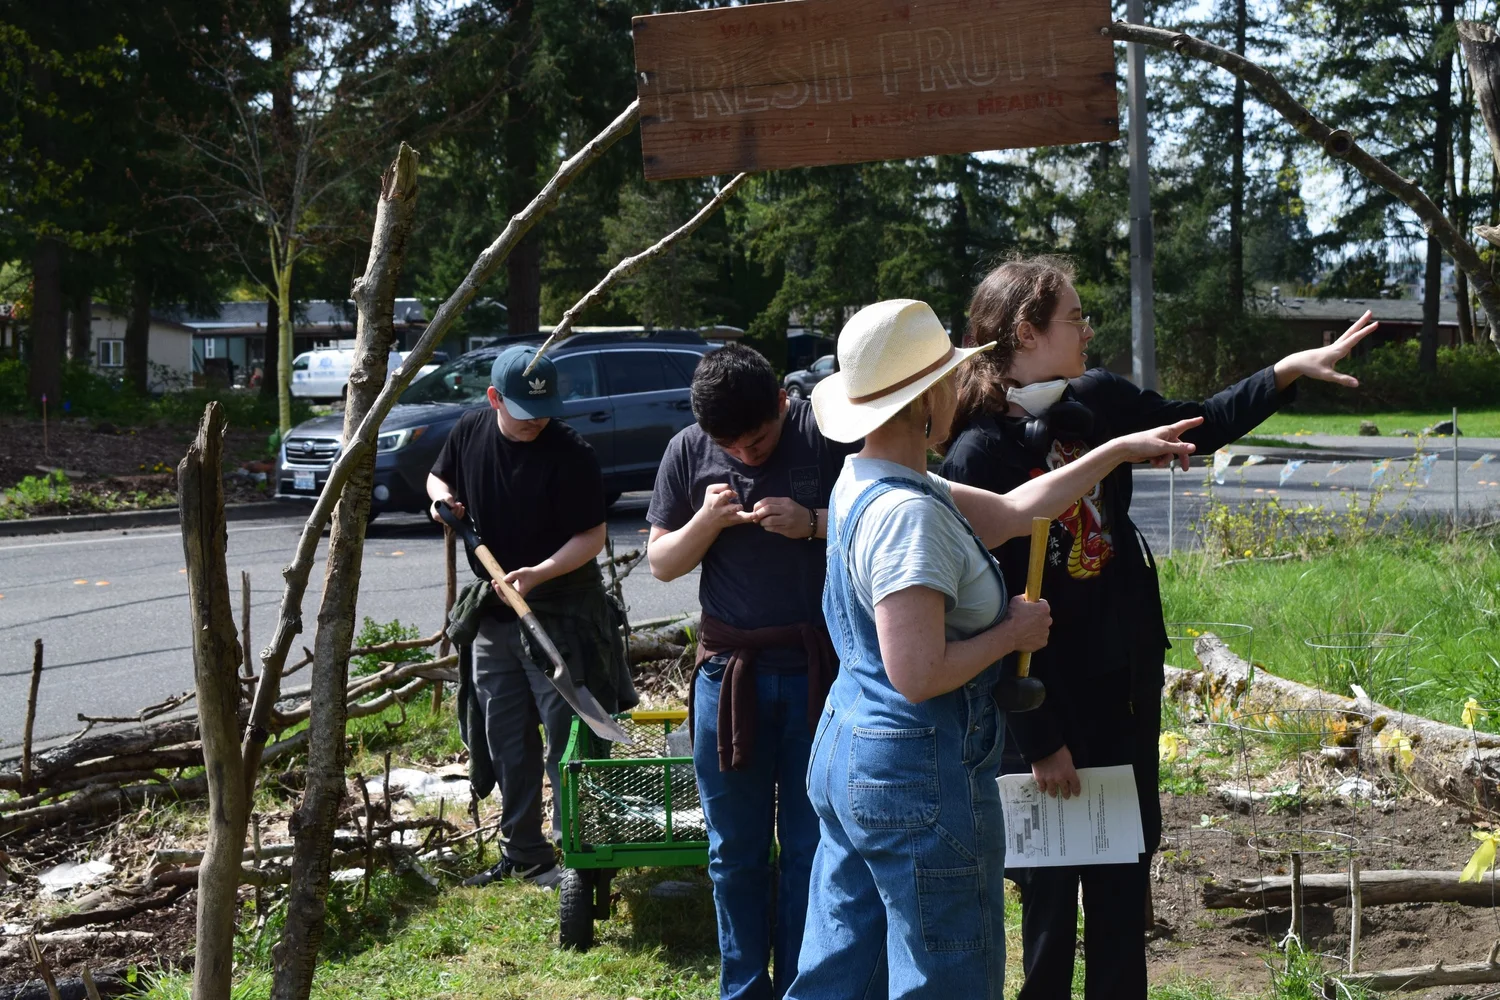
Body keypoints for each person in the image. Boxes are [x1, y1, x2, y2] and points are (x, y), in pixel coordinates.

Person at [938, 256, 1379, 1000]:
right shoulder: (981, 451)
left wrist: (1286, 370)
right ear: (1026, 331)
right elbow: (987, 613)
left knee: (1120, 894)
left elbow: (1199, 424)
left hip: (1123, 688)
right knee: (1048, 910)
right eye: (1074, 316)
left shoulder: (1098, 400)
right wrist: (1043, 741)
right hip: (1044, 705)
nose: (1087, 328)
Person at [787, 299, 1202, 1000]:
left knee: (841, 969)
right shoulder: (908, 516)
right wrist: (1011, 634)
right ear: (927, 399)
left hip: (850, 750)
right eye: (950, 378)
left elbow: (1016, 512)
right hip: (919, 770)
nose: (962, 389)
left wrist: (1120, 450)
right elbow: (917, 673)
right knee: (946, 974)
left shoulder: (876, 478)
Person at [647, 343, 855, 1000]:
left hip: (814, 674)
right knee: (732, 851)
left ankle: (800, 984)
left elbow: (882, 516)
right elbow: (662, 562)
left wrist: (813, 523)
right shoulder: (687, 449)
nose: (745, 453)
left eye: (758, 439)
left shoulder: (824, 437)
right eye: (729, 445)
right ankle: (742, 987)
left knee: (808, 847)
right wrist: (705, 522)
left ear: (782, 404)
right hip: (726, 677)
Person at [428, 344, 633, 888]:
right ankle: (523, 851)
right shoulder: (470, 431)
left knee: (566, 735)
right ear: (494, 398)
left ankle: (578, 858)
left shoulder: (571, 453)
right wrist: (441, 501)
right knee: (504, 735)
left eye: (545, 408)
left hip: (561, 611)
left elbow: (593, 536)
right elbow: (436, 479)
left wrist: (539, 572)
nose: (537, 420)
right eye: (524, 410)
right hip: (496, 614)